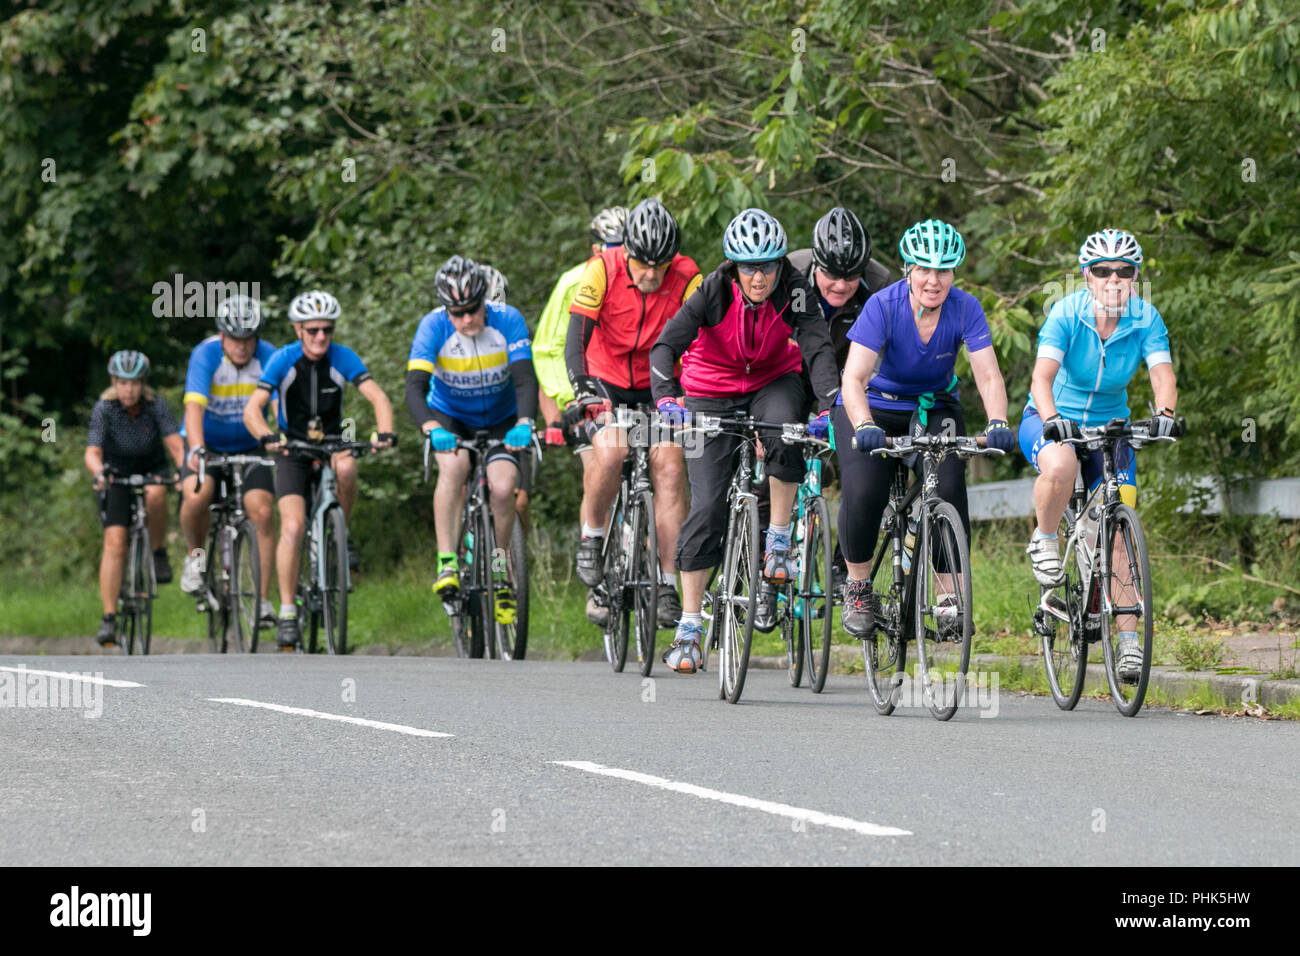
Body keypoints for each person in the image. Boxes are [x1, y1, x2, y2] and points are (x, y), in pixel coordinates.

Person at [649, 208, 840, 674]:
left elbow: (816, 348)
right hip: (709, 390)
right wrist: (667, 398)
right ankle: (691, 627)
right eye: (751, 267)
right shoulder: (710, 291)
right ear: (734, 266)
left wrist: (827, 405)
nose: (761, 277)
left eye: (770, 265)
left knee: (783, 431)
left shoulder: (795, 290)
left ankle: (777, 543)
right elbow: (665, 348)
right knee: (708, 504)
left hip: (772, 382)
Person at [834, 219, 1015, 638]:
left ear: (954, 273)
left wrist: (998, 421)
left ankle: (949, 599)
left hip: (932, 405)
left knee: (949, 485)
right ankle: (859, 587)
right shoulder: (883, 305)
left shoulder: (965, 307)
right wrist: (863, 424)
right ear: (908, 269)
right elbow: (854, 378)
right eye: (924, 269)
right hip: (872, 407)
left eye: (943, 270)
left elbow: (987, 375)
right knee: (865, 490)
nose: (933, 280)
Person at [1020, 228, 1179, 682]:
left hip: (1111, 429)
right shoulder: (1065, 314)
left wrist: (1165, 413)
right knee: (1062, 463)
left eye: (1124, 271)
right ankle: (1047, 538)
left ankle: (1128, 643)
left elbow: (1162, 376)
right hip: (1054, 419)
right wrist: (1053, 419)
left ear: (1134, 277)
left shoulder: (1146, 319)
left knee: (1118, 524)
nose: (1113, 279)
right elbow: (1040, 380)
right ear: (1087, 276)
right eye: (1102, 271)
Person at [564, 198, 700, 629]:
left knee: (671, 467)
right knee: (612, 450)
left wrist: (695, 394)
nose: (652, 275)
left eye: (661, 265)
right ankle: (592, 535)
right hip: (606, 378)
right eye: (643, 264)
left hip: (660, 383)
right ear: (627, 252)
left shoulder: (688, 276)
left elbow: (702, 342)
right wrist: (583, 389)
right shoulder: (601, 268)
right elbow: (576, 338)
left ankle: (665, 583)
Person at [242, 290, 396, 650]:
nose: (320, 337)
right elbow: (253, 409)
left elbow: (378, 396)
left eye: (327, 329)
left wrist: (385, 431)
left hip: (331, 442)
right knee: (293, 527)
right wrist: (267, 436)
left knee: (347, 467)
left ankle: (343, 530)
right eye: (312, 330)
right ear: (298, 329)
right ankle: (286, 612)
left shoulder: (343, 357)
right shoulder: (283, 359)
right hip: (291, 448)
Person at [405, 256, 537, 623]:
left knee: (503, 486)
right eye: (457, 312)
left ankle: (500, 569)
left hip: (501, 418)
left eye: (473, 310)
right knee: (454, 465)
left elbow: (526, 379)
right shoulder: (432, 326)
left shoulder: (508, 320)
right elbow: (414, 388)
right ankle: (447, 561)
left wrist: (525, 422)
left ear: (485, 301)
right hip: (451, 418)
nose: (466, 320)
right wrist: (432, 428)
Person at [177, 295, 278, 625]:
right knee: (197, 495)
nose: (242, 346)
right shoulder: (205, 354)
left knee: (262, 511)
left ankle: (261, 601)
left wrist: (282, 439)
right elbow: (194, 407)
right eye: (236, 339)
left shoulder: (268, 356)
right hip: (207, 444)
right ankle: (196, 557)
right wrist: (195, 448)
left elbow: (280, 407)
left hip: (252, 444)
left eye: (249, 338)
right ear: (222, 336)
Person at [84, 350, 184, 646]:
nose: (129, 389)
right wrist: (99, 472)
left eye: (135, 383)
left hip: (151, 468)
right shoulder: (105, 407)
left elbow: (176, 445)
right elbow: (92, 451)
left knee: (156, 493)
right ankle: (109, 616)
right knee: (115, 541)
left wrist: (183, 471)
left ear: (143, 384)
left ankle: (157, 551)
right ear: (114, 381)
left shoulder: (156, 406)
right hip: (115, 474)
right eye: (123, 383)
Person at [479, 263, 534, 528]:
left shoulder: (516, 329)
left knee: (518, 500)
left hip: (509, 422)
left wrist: (555, 422)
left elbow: (536, 382)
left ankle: (512, 565)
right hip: (469, 420)